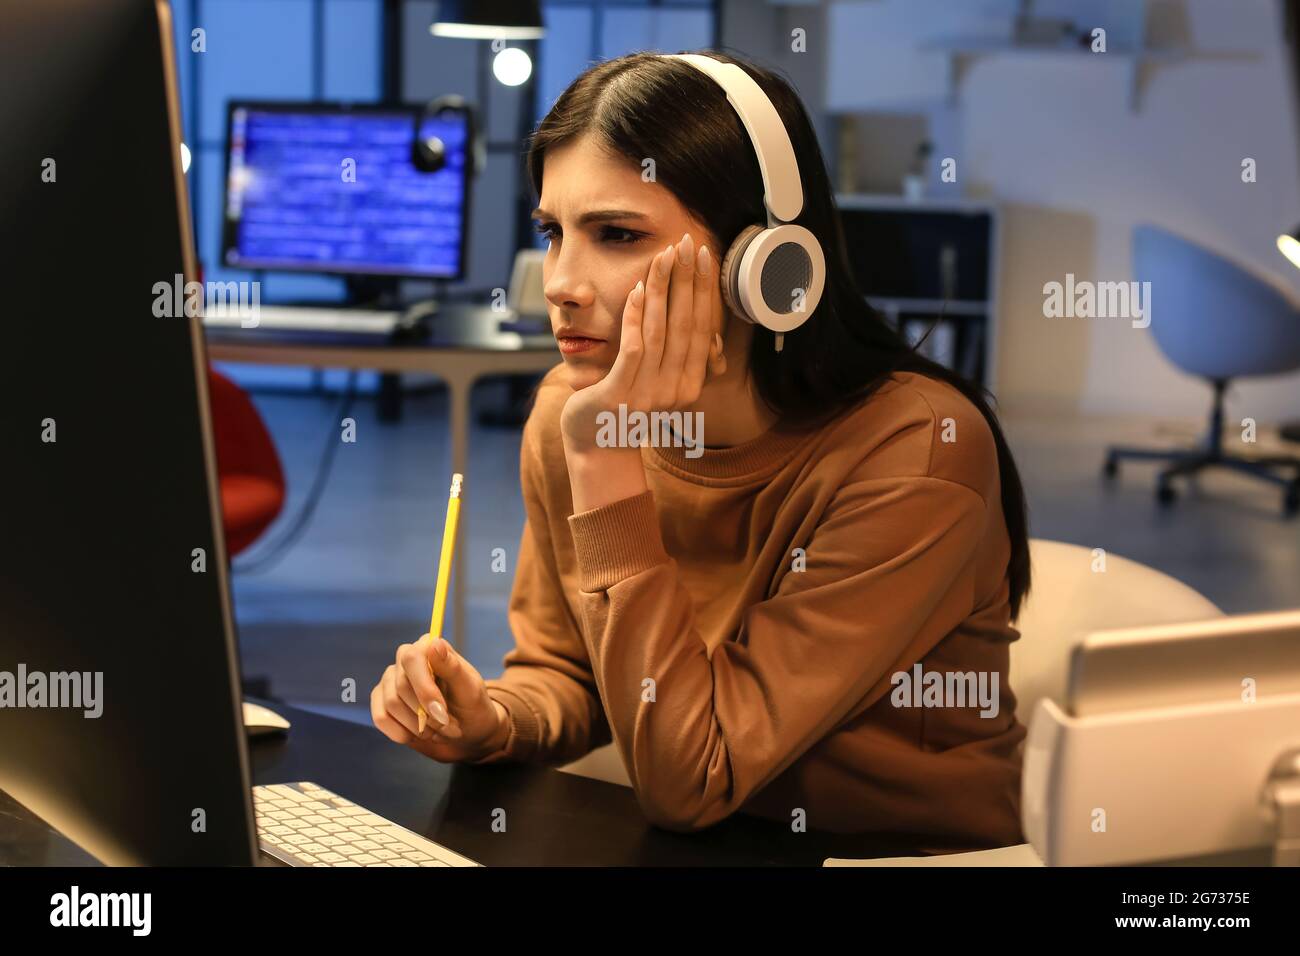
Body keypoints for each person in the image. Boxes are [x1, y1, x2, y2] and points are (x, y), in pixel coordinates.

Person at [370, 50, 1032, 854]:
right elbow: (572, 675)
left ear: (767, 266)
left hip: (889, 858)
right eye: (552, 233)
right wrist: (494, 720)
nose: (561, 283)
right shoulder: (572, 415)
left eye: (616, 234)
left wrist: (607, 461)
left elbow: (693, 778)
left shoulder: (915, 449)